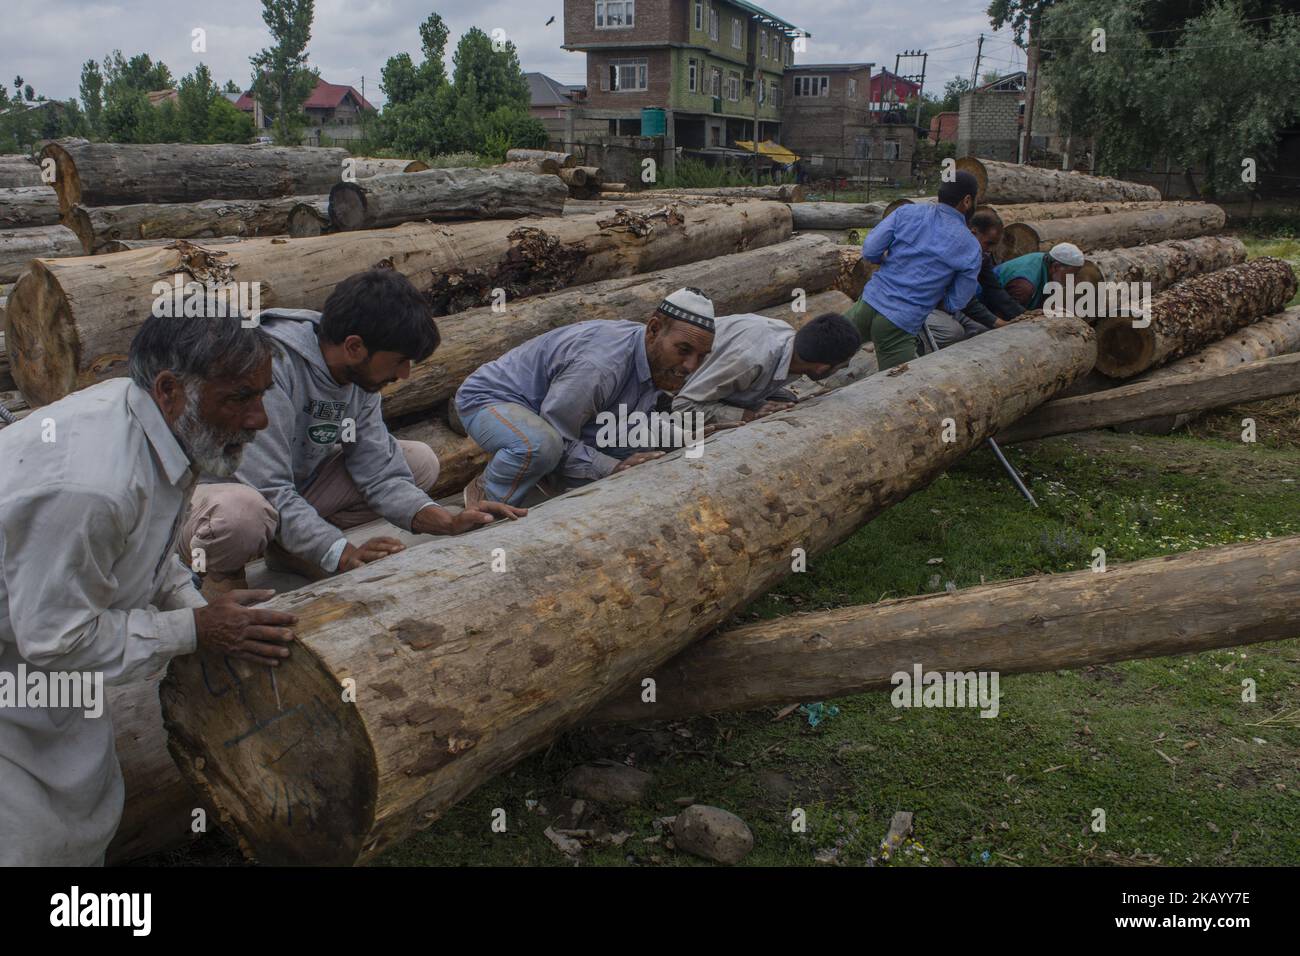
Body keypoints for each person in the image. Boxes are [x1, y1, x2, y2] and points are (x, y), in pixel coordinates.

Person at [0, 315, 298, 865]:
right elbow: (56, 640)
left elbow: (152, 554)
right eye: (240, 398)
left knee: (79, 813)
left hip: (38, 675)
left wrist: (197, 606)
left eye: (262, 396)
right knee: (26, 841)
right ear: (169, 389)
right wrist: (194, 629)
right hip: (22, 666)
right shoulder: (90, 485)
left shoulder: (154, 425)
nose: (258, 419)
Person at [184, 269, 523, 594]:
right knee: (243, 513)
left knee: (419, 463)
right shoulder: (266, 364)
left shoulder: (358, 378)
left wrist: (447, 521)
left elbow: (379, 472)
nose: (404, 374)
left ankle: (292, 549)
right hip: (209, 498)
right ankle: (221, 572)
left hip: (285, 491)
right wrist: (340, 552)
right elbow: (268, 488)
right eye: (400, 360)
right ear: (354, 347)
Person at [454, 288, 716, 506]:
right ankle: (485, 495)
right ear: (654, 330)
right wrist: (613, 468)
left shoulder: (653, 357)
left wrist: (688, 438)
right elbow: (561, 432)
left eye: (701, 356)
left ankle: (542, 481)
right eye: (683, 350)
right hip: (490, 399)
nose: (691, 365)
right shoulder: (600, 366)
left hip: (552, 415)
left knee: (639, 450)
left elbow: (633, 422)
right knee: (542, 445)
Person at [844, 171, 983, 371]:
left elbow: (871, 249)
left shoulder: (907, 212)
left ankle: (787, 382)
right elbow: (957, 301)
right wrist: (936, 295)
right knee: (899, 389)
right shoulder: (970, 246)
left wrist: (886, 260)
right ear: (967, 200)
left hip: (867, 304)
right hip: (899, 323)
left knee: (823, 351)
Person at [673, 312, 860, 424]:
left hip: (717, 379)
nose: (844, 368)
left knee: (788, 399)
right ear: (821, 367)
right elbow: (682, 406)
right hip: (664, 389)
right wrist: (747, 415)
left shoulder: (794, 350)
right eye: (842, 365)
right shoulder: (751, 361)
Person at [990, 241, 1087, 311]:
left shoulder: (1046, 262)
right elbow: (1008, 316)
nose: (1073, 281)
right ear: (1056, 266)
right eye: (1072, 274)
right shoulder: (1024, 286)